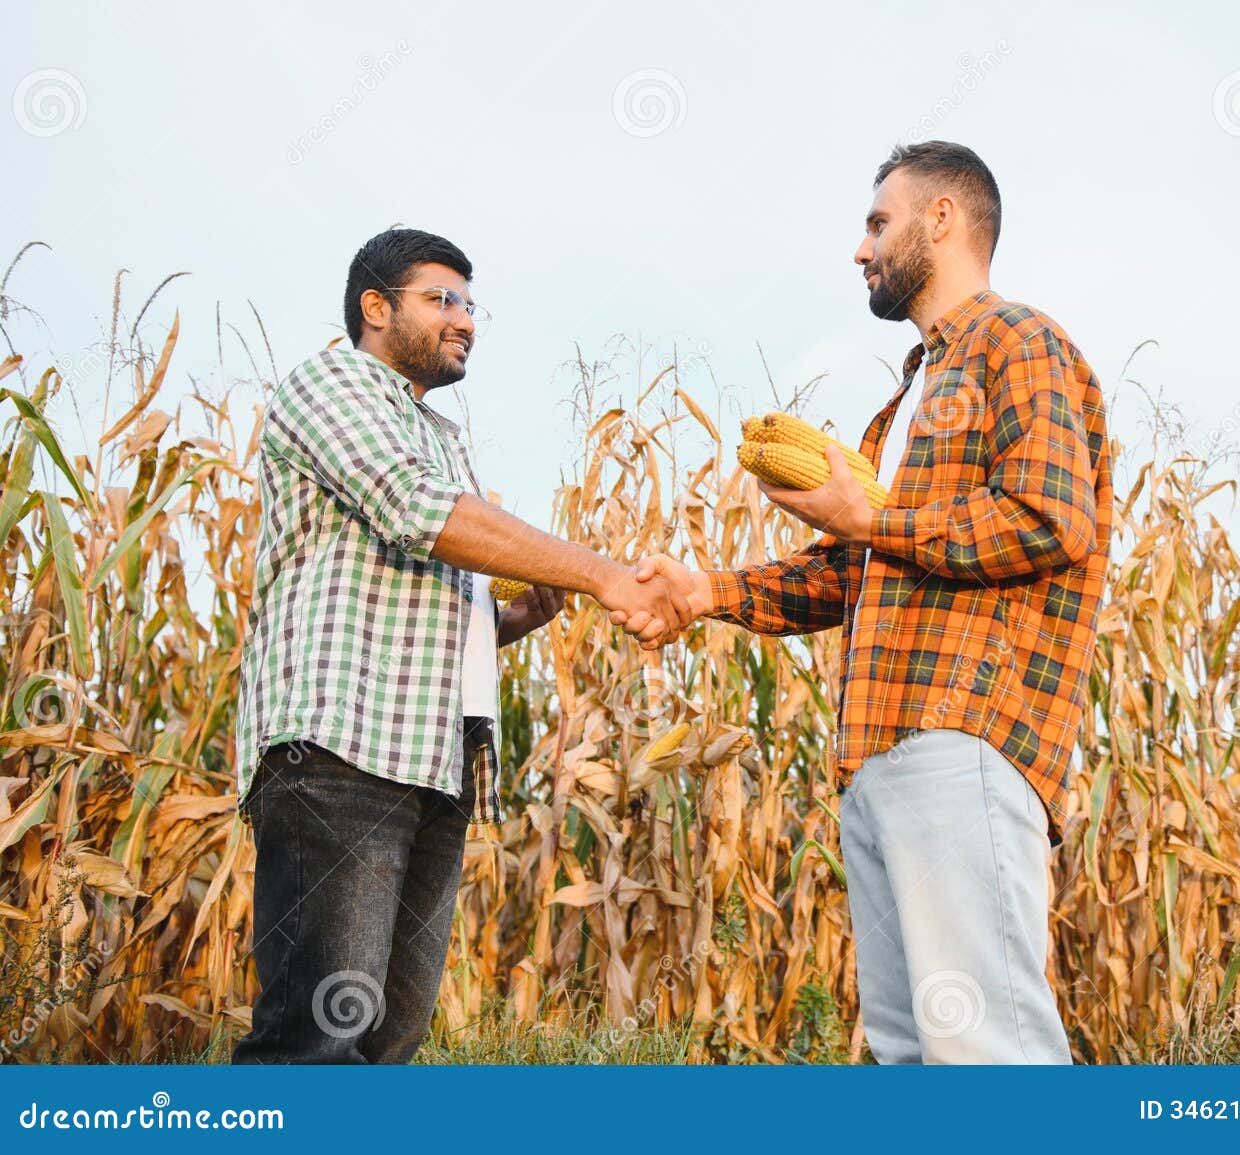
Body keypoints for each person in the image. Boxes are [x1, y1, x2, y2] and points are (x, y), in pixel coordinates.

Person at [621, 142, 1114, 1063]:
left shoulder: (1019, 344)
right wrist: (704, 592)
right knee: (909, 1051)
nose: (861, 249)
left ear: (942, 219)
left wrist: (876, 518)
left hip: (961, 734)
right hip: (877, 756)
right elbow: (854, 568)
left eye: (877, 222)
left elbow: (1051, 520)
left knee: (988, 1051)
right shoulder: (906, 400)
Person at [233, 228, 688, 1063]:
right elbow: (416, 509)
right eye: (441, 299)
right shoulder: (332, 381)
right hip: (340, 751)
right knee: (318, 1035)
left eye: (470, 304)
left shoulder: (438, 432)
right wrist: (604, 575)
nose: (464, 320)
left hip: (432, 763)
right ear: (376, 307)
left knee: (388, 1038)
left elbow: (423, 597)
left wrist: (509, 623)